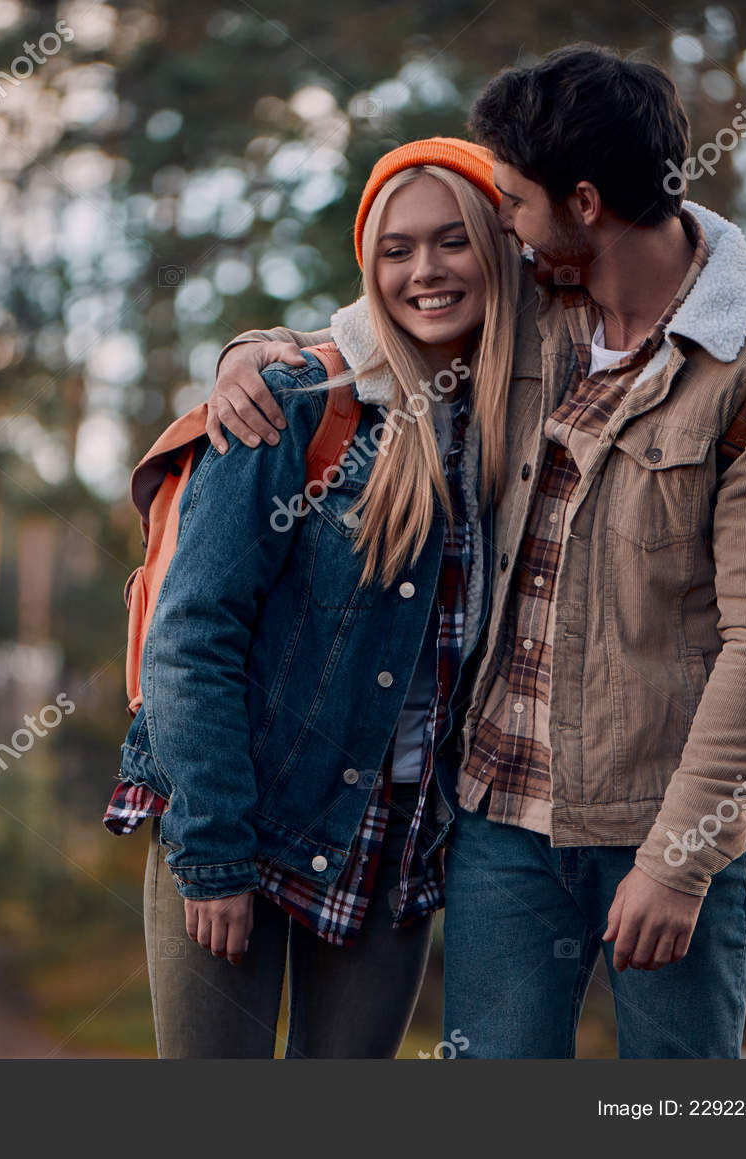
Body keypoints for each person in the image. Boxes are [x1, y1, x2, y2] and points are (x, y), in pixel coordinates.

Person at [204, 45, 746, 1058]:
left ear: (584, 201)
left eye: (509, 198)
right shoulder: (534, 306)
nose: (496, 220)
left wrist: (678, 861)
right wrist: (254, 351)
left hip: (665, 823)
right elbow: (392, 322)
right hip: (498, 822)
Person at [104, 139, 527, 1057]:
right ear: (368, 267)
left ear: (501, 246)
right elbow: (191, 635)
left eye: (453, 241)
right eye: (398, 249)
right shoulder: (294, 399)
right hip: (243, 800)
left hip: (398, 831)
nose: (426, 270)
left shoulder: (519, 420)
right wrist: (214, 851)